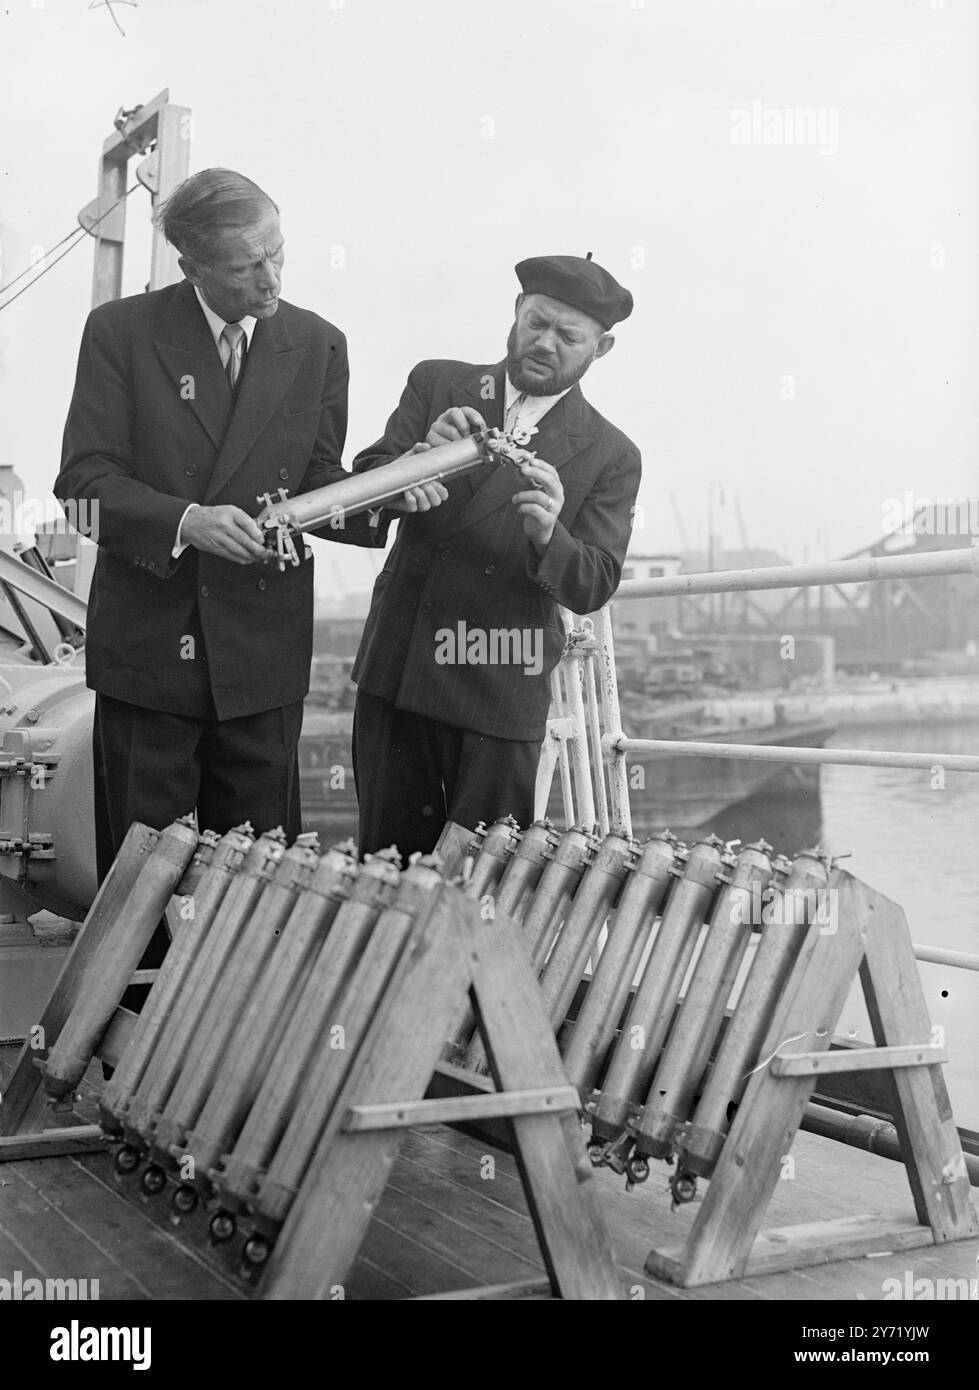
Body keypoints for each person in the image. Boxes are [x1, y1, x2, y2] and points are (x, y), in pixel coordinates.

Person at [56, 167, 374, 882]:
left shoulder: (318, 343)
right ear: (190, 266)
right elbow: (82, 485)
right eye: (246, 266)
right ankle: (135, 998)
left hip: (261, 654)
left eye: (277, 253)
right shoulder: (121, 333)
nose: (270, 280)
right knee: (139, 882)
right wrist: (188, 522)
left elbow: (320, 481)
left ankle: (246, 999)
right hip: (150, 655)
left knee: (258, 880)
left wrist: (402, 484)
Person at [350, 254, 641, 856]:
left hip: (499, 698)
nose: (545, 344)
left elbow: (594, 584)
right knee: (383, 869)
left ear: (601, 348)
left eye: (569, 336)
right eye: (537, 323)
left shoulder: (611, 454)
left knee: (480, 889)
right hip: (399, 674)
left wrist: (550, 534)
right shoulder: (435, 383)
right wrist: (408, 471)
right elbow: (358, 495)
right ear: (516, 312)